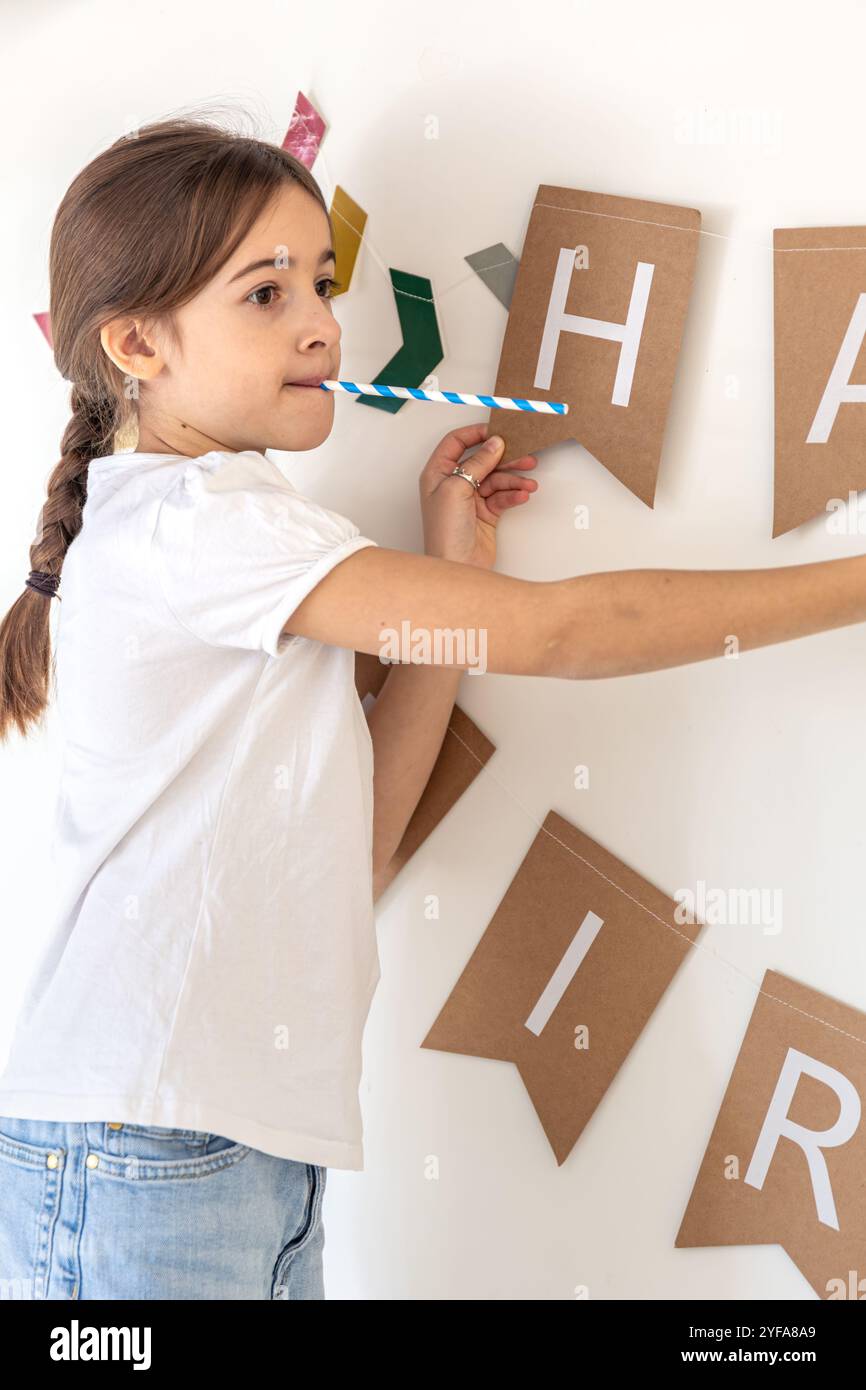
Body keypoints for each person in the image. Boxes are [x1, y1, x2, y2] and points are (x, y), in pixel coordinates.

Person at [1, 115, 864, 1302]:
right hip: (150, 1143)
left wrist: (451, 554)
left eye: (320, 280)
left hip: (221, 1146)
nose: (319, 322)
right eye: (264, 295)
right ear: (138, 344)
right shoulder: (202, 525)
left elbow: (359, 847)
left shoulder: (235, 531)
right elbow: (565, 635)